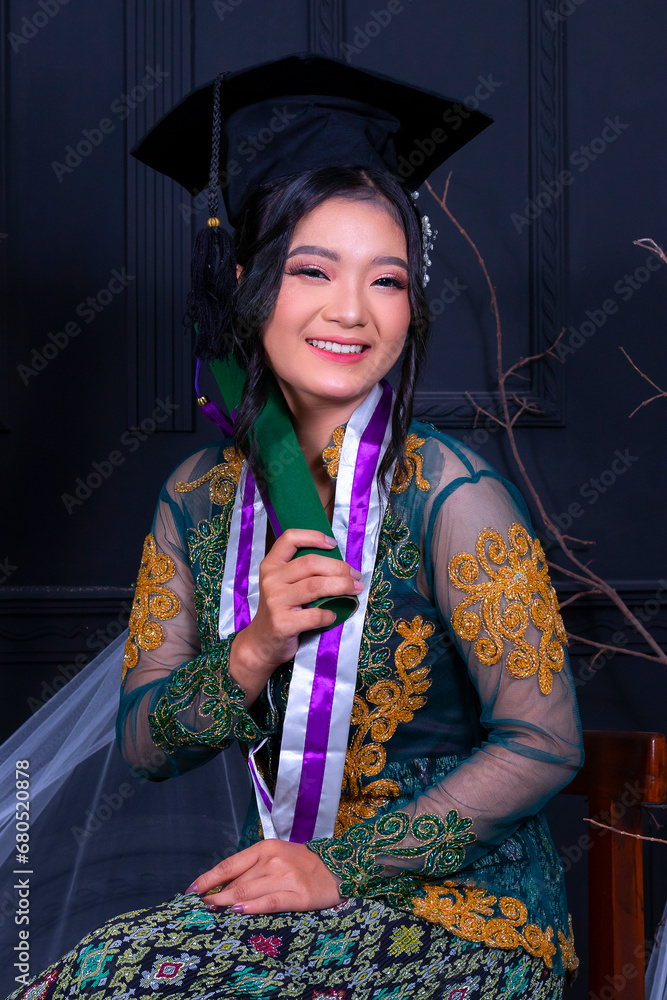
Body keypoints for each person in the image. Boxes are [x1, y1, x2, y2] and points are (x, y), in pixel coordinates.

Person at [7, 54, 583, 1000]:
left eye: (386, 280)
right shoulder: (196, 497)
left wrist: (339, 868)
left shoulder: (449, 492)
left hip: (464, 913)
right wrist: (255, 646)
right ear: (243, 279)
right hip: (275, 889)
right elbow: (146, 748)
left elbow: (543, 741)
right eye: (311, 270)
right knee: (90, 977)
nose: (350, 312)